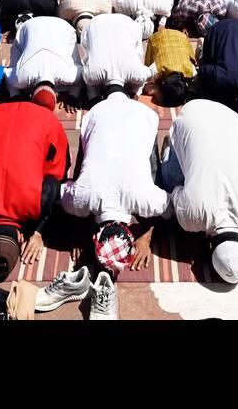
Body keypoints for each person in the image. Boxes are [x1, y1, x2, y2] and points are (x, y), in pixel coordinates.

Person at [50, 85, 168, 315]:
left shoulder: (142, 198)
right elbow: (170, 204)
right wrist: (146, 236)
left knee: (151, 171)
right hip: (138, 124)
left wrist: (145, 238)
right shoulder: (144, 200)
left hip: (138, 129)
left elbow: (65, 189)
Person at [0, 96, 69, 282]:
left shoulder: (36, 202)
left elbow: (55, 183)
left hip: (47, 121)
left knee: (57, 182)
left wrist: (39, 231)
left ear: (20, 238)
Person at [161, 98, 238, 283]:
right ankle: (168, 149)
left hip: (235, 122)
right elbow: (177, 191)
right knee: (170, 183)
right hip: (191, 119)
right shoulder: (191, 220)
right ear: (210, 245)